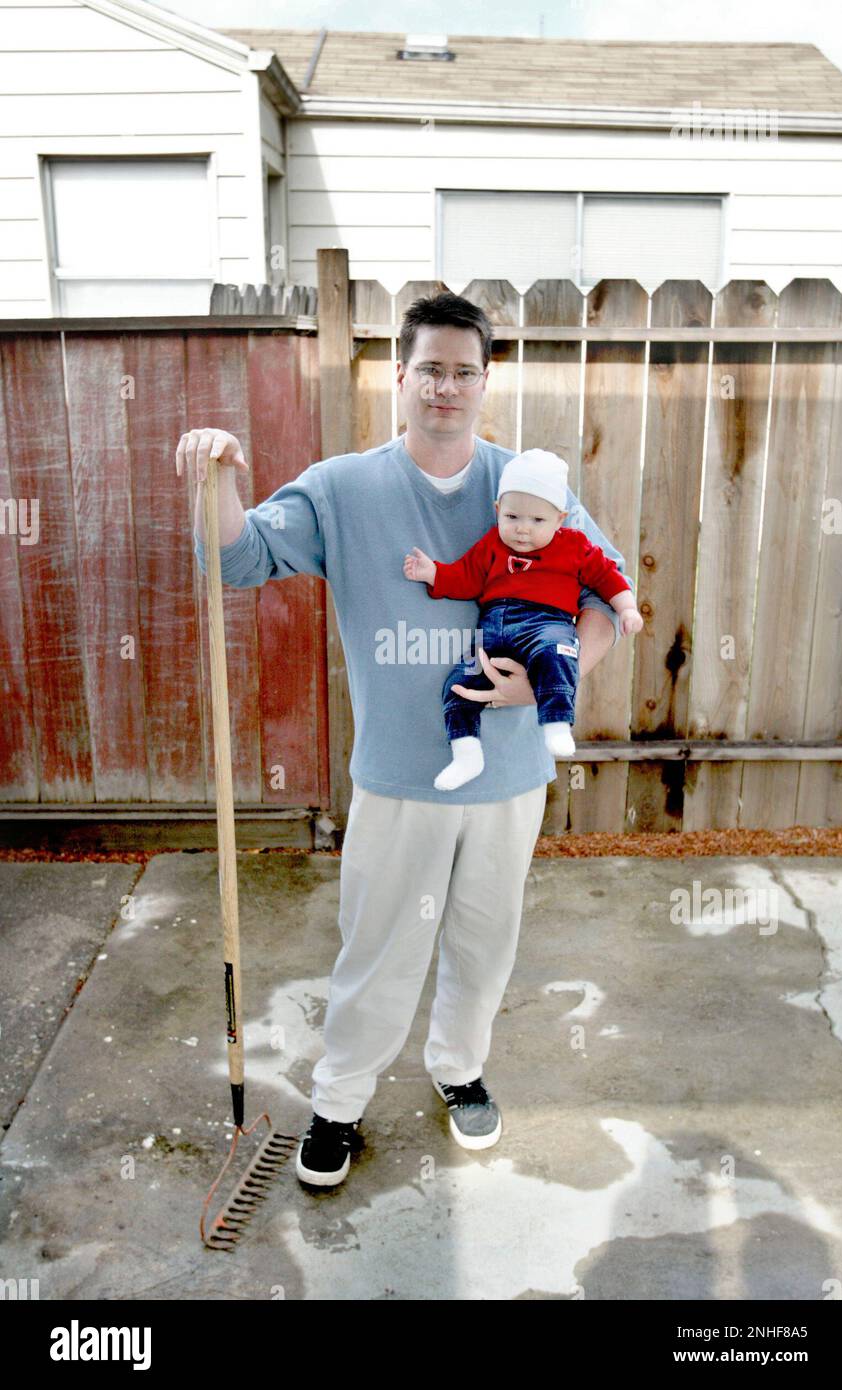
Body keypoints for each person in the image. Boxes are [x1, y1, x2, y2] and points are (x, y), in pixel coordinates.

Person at [178, 291, 635, 1188]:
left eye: (465, 372)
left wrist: (554, 674)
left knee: (483, 940)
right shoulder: (344, 488)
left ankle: (460, 1072)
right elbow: (235, 558)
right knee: (378, 948)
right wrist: (221, 475)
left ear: (484, 383)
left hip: (506, 780)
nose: (446, 388)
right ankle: (340, 1103)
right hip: (397, 778)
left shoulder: (530, 485)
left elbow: (605, 605)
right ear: (400, 375)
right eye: (430, 368)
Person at [404, 447, 643, 789]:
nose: (522, 530)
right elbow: (464, 577)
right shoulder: (492, 546)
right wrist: (432, 573)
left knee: (558, 655)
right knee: (458, 684)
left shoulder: (574, 546)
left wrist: (627, 608)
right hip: (493, 630)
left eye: (537, 521)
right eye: (513, 517)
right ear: (498, 510)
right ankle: (466, 753)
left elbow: (608, 577)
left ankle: (557, 723)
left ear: (560, 519)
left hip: (547, 624)